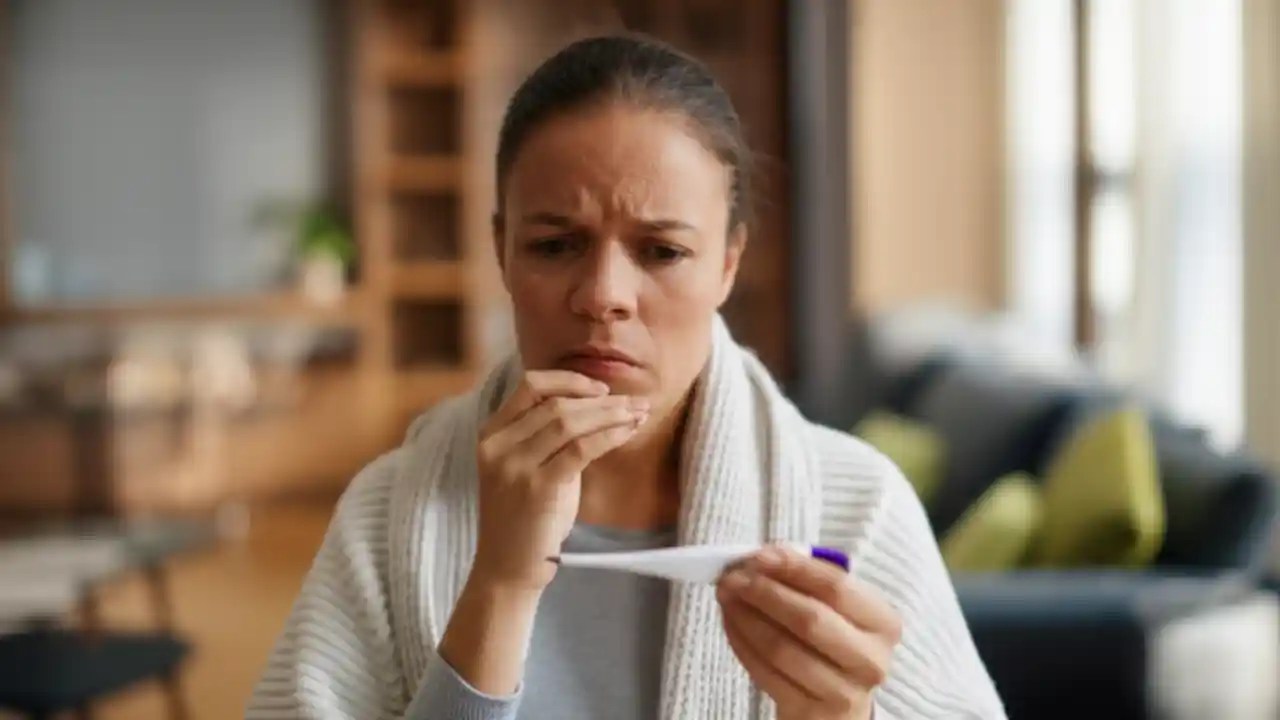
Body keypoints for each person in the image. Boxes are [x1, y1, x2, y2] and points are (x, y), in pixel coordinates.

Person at [247, 35, 1005, 720]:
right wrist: (501, 585)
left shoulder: (854, 510)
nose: (604, 293)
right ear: (502, 252)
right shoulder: (391, 511)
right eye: (555, 244)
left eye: (663, 251)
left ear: (728, 264)